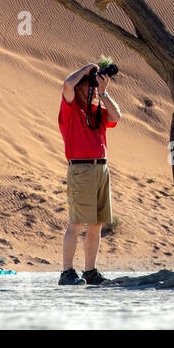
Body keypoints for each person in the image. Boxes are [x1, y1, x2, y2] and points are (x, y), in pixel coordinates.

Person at [58, 58, 121, 286]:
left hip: (101, 168)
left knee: (96, 224)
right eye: (88, 85)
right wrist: (86, 69)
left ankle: (90, 271)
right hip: (81, 168)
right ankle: (66, 273)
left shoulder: (96, 110)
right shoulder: (70, 110)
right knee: (77, 223)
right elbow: (66, 85)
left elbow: (116, 117)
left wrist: (104, 94)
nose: (91, 89)